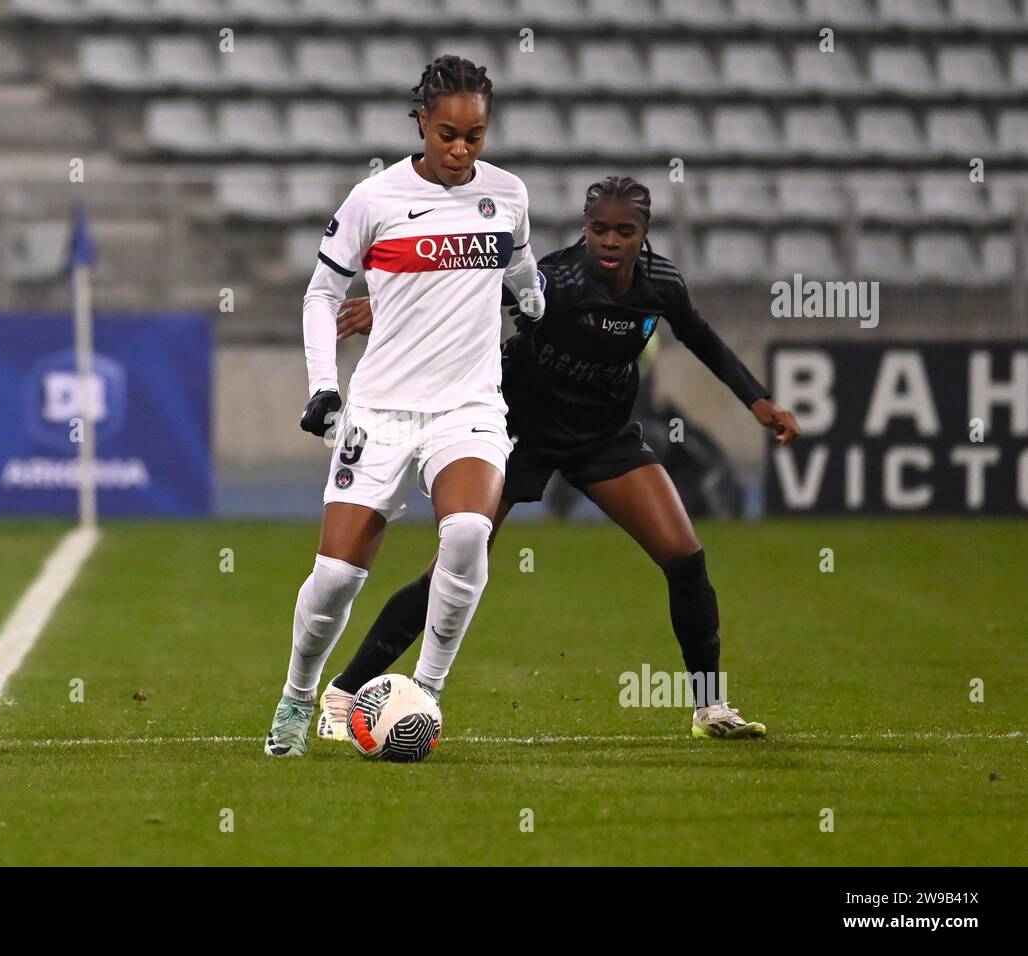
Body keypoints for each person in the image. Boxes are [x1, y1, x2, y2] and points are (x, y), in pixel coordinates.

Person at [318, 175, 802, 741]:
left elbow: (702, 338)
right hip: (517, 428)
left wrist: (759, 401)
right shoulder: (558, 276)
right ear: (584, 228)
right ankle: (344, 692)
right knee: (455, 564)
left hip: (603, 435)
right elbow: (467, 291)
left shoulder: (661, 285)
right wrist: (390, 308)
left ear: (644, 234)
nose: (610, 241)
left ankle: (711, 708)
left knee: (686, 559)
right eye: (599, 229)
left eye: (625, 230)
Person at [263, 54, 546, 756]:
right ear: (421, 121)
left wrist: (534, 298)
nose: (460, 149)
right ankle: (298, 700)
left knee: (468, 533)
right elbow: (322, 294)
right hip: (382, 410)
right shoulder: (374, 199)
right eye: (447, 133)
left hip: (469, 407)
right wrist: (323, 386)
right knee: (334, 579)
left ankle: (427, 690)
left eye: (474, 136)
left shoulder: (508, 194)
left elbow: (519, 266)